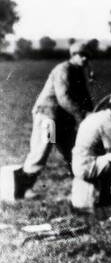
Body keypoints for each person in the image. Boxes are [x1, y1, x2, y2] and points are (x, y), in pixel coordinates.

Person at [18, 40, 94, 194]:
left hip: (64, 119)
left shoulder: (78, 72)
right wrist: (83, 114)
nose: (85, 59)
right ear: (73, 56)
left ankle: (83, 186)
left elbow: (84, 97)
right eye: (81, 55)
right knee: (42, 149)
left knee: (73, 150)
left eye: (87, 56)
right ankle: (23, 188)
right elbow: (63, 97)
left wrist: (93, 114)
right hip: (49, 116)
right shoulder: (63, 70)